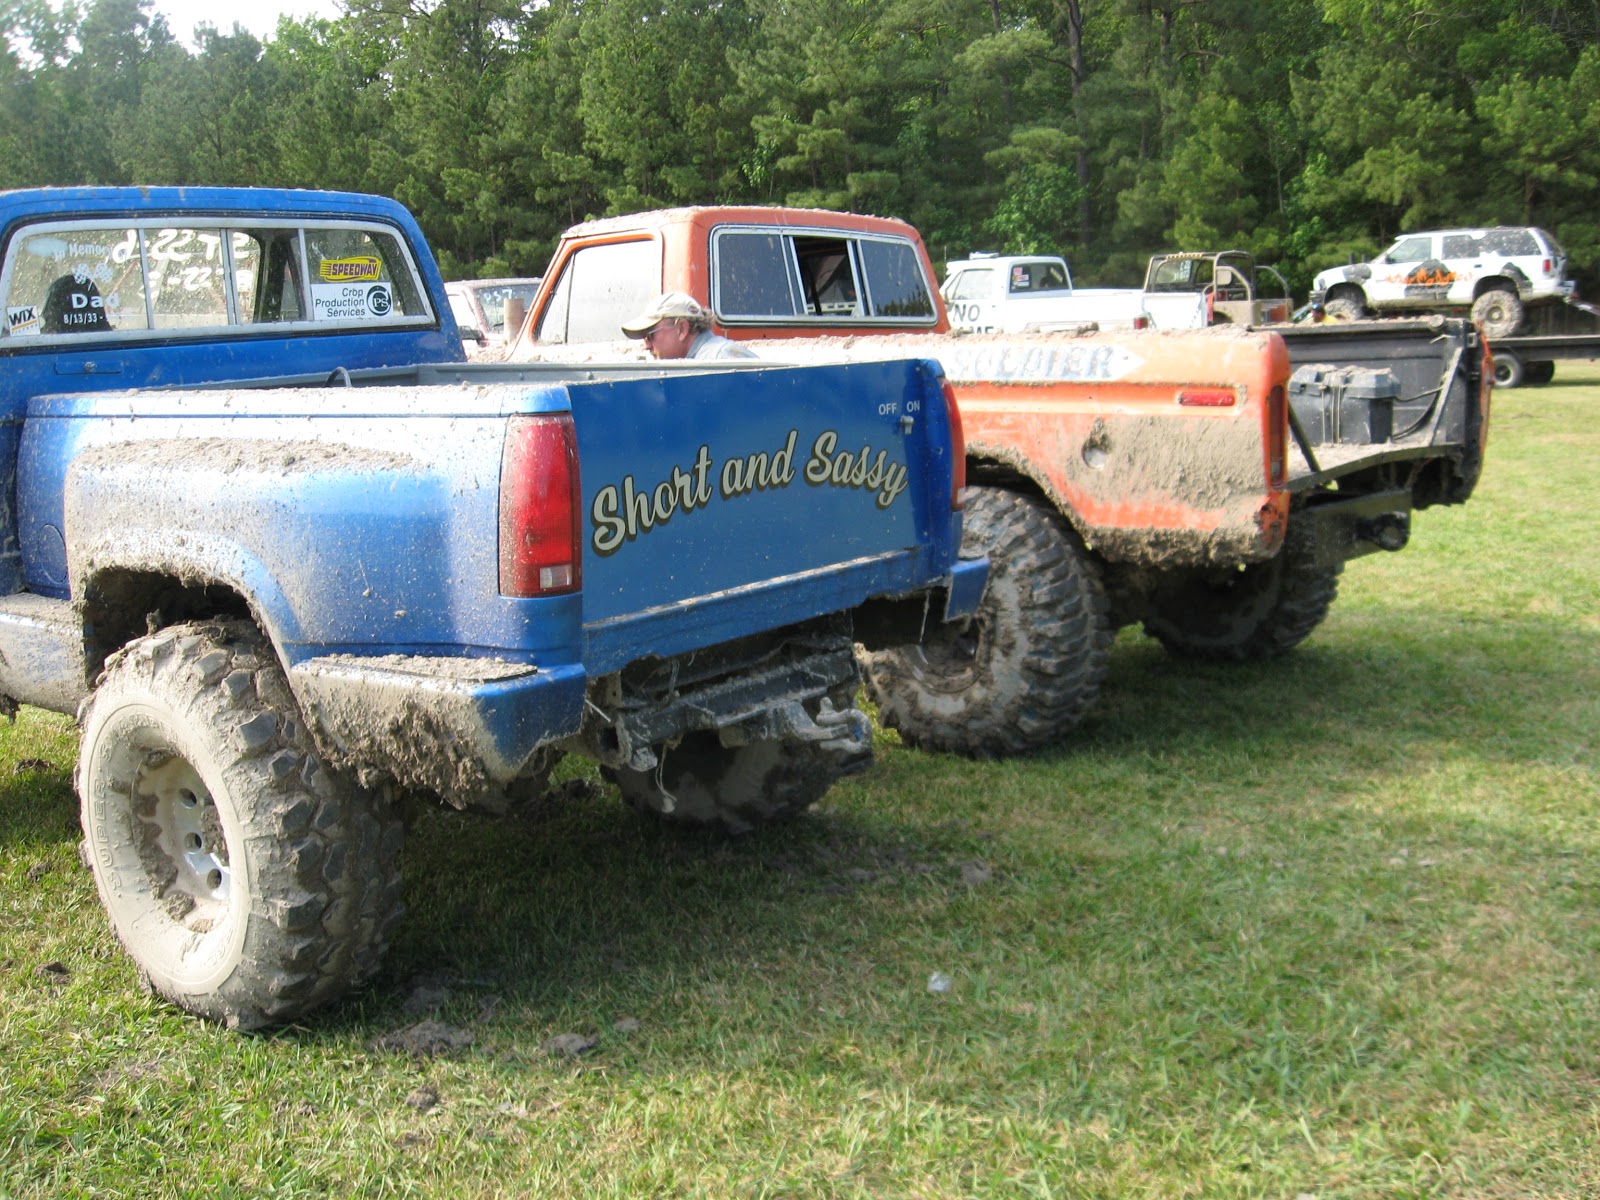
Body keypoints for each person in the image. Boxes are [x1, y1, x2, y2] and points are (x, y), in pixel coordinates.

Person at [621, 292, 758, 360]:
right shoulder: (699, 361)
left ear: (682, 329)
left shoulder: (721, 359)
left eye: (650, 335)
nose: (647, 346)